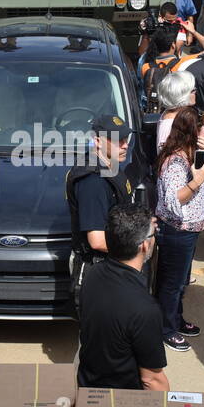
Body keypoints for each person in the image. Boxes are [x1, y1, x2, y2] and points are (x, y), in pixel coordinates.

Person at [77, 204, 168, 390]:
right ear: (144, 245)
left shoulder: (93, 274)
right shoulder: (145, 309)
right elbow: (152, 380)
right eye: (152, 235)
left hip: (87, 387)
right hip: (122, 402)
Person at [65, 114, 146, 310]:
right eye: (118, 140)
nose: (125, 145)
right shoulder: (93, 183)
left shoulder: (110, 165)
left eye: (126, 139)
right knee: (102, 334)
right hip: (100, 268)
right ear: (97, 141)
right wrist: (137, 247)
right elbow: (97, 240)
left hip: (115, 264)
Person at [152, 107, 204, 351]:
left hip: (190, 230)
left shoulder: (194, 153)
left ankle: (176, 320)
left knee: (180, 282)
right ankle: (165, 329)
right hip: (176, 231)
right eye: (202, 128)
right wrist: (198, 180)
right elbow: (174, 199)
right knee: (171, 283)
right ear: (191, 131)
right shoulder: (175, 160)